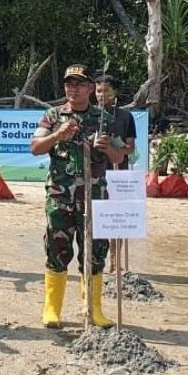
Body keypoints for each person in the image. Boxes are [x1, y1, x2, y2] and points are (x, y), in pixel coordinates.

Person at [30, 65, 115, 329]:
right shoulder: (53, 115)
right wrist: (57, 135)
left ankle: (93, 309)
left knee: (95, 253)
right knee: (56, 250)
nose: (73, 89)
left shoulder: (103, 118)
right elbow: (35, 148)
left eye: (79, 84)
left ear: (90, 88)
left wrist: (108, 148)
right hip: (60, 197)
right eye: (69, 84)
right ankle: (52, 309)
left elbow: (122, 156)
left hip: (95, 198)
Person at [93, 74, 136, 169]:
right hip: (94, 172)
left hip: (118, 173)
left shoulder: (126, 117)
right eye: (98, 91)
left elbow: (131, 149)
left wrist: (112, 147)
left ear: (115, 92)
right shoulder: (89, 114)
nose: (102, 95)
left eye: (106, 91)